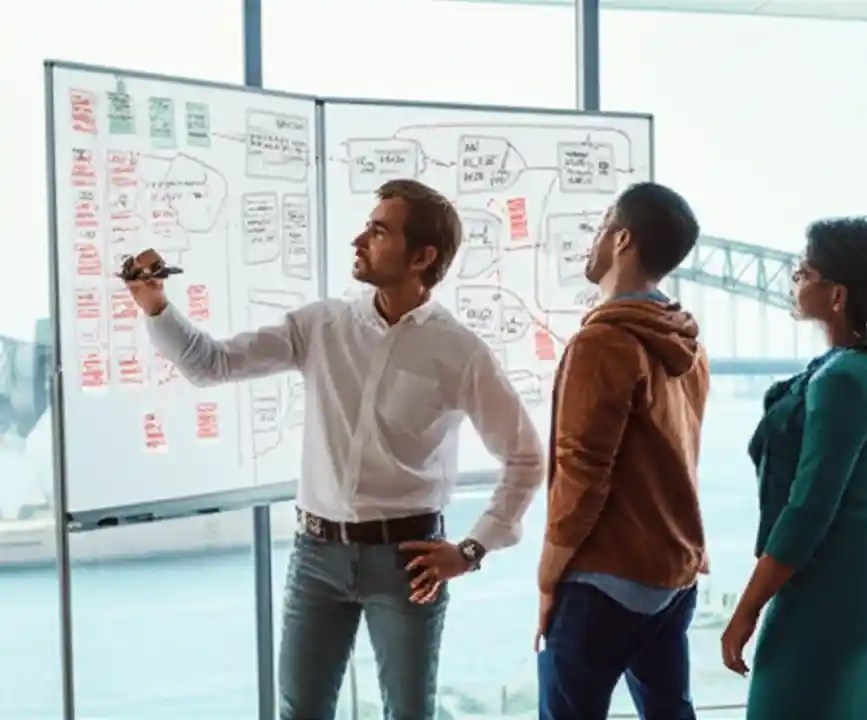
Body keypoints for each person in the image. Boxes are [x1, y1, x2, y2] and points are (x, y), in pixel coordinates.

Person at [126, 178, 544, 720]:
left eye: (377, 231)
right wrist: (155, 304)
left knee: (411, 714)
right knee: (299, 713)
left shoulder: (460, 351)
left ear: (422, 256)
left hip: (409, 560)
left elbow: (527, 459)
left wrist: (471, 550)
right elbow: (214, 364)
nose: (358, 240)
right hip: (316, 555)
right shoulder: (322, 324)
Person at [534, 181, 710, 720]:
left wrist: (548, 577)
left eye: (602, 226)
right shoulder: (687, 343)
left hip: (603, 583)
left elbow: (582, 473)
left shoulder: (602, 343)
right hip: (673, 574)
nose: (593, 240)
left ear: (622, 239)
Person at [719, 217, 867, 719]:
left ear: (837, 294)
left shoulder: (843, 377)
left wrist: (747, 609)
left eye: (804, 272)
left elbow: (808, 509)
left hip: (834, 583)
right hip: (860, 574)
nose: (794, 280)